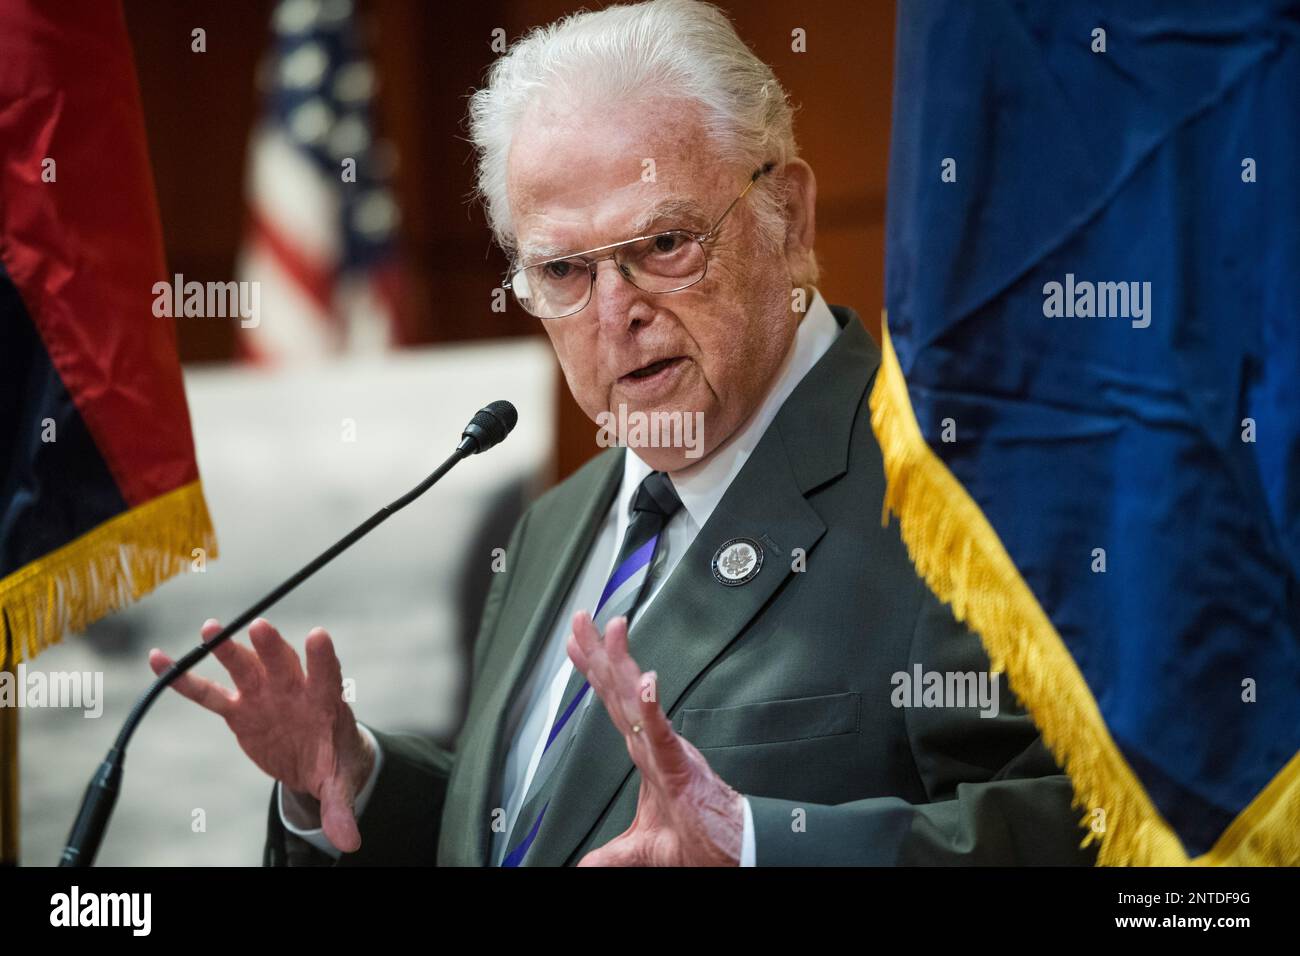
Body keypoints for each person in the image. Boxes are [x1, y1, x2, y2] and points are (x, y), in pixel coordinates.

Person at [150, 0, 1095, 866]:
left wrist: (759, 848)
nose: (615, 314)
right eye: (563, 271)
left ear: (791, 217)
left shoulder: (957, 489)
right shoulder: (554, 524)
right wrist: (359, 781)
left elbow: (1090, 836)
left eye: (664, 245)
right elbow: (543, 831)